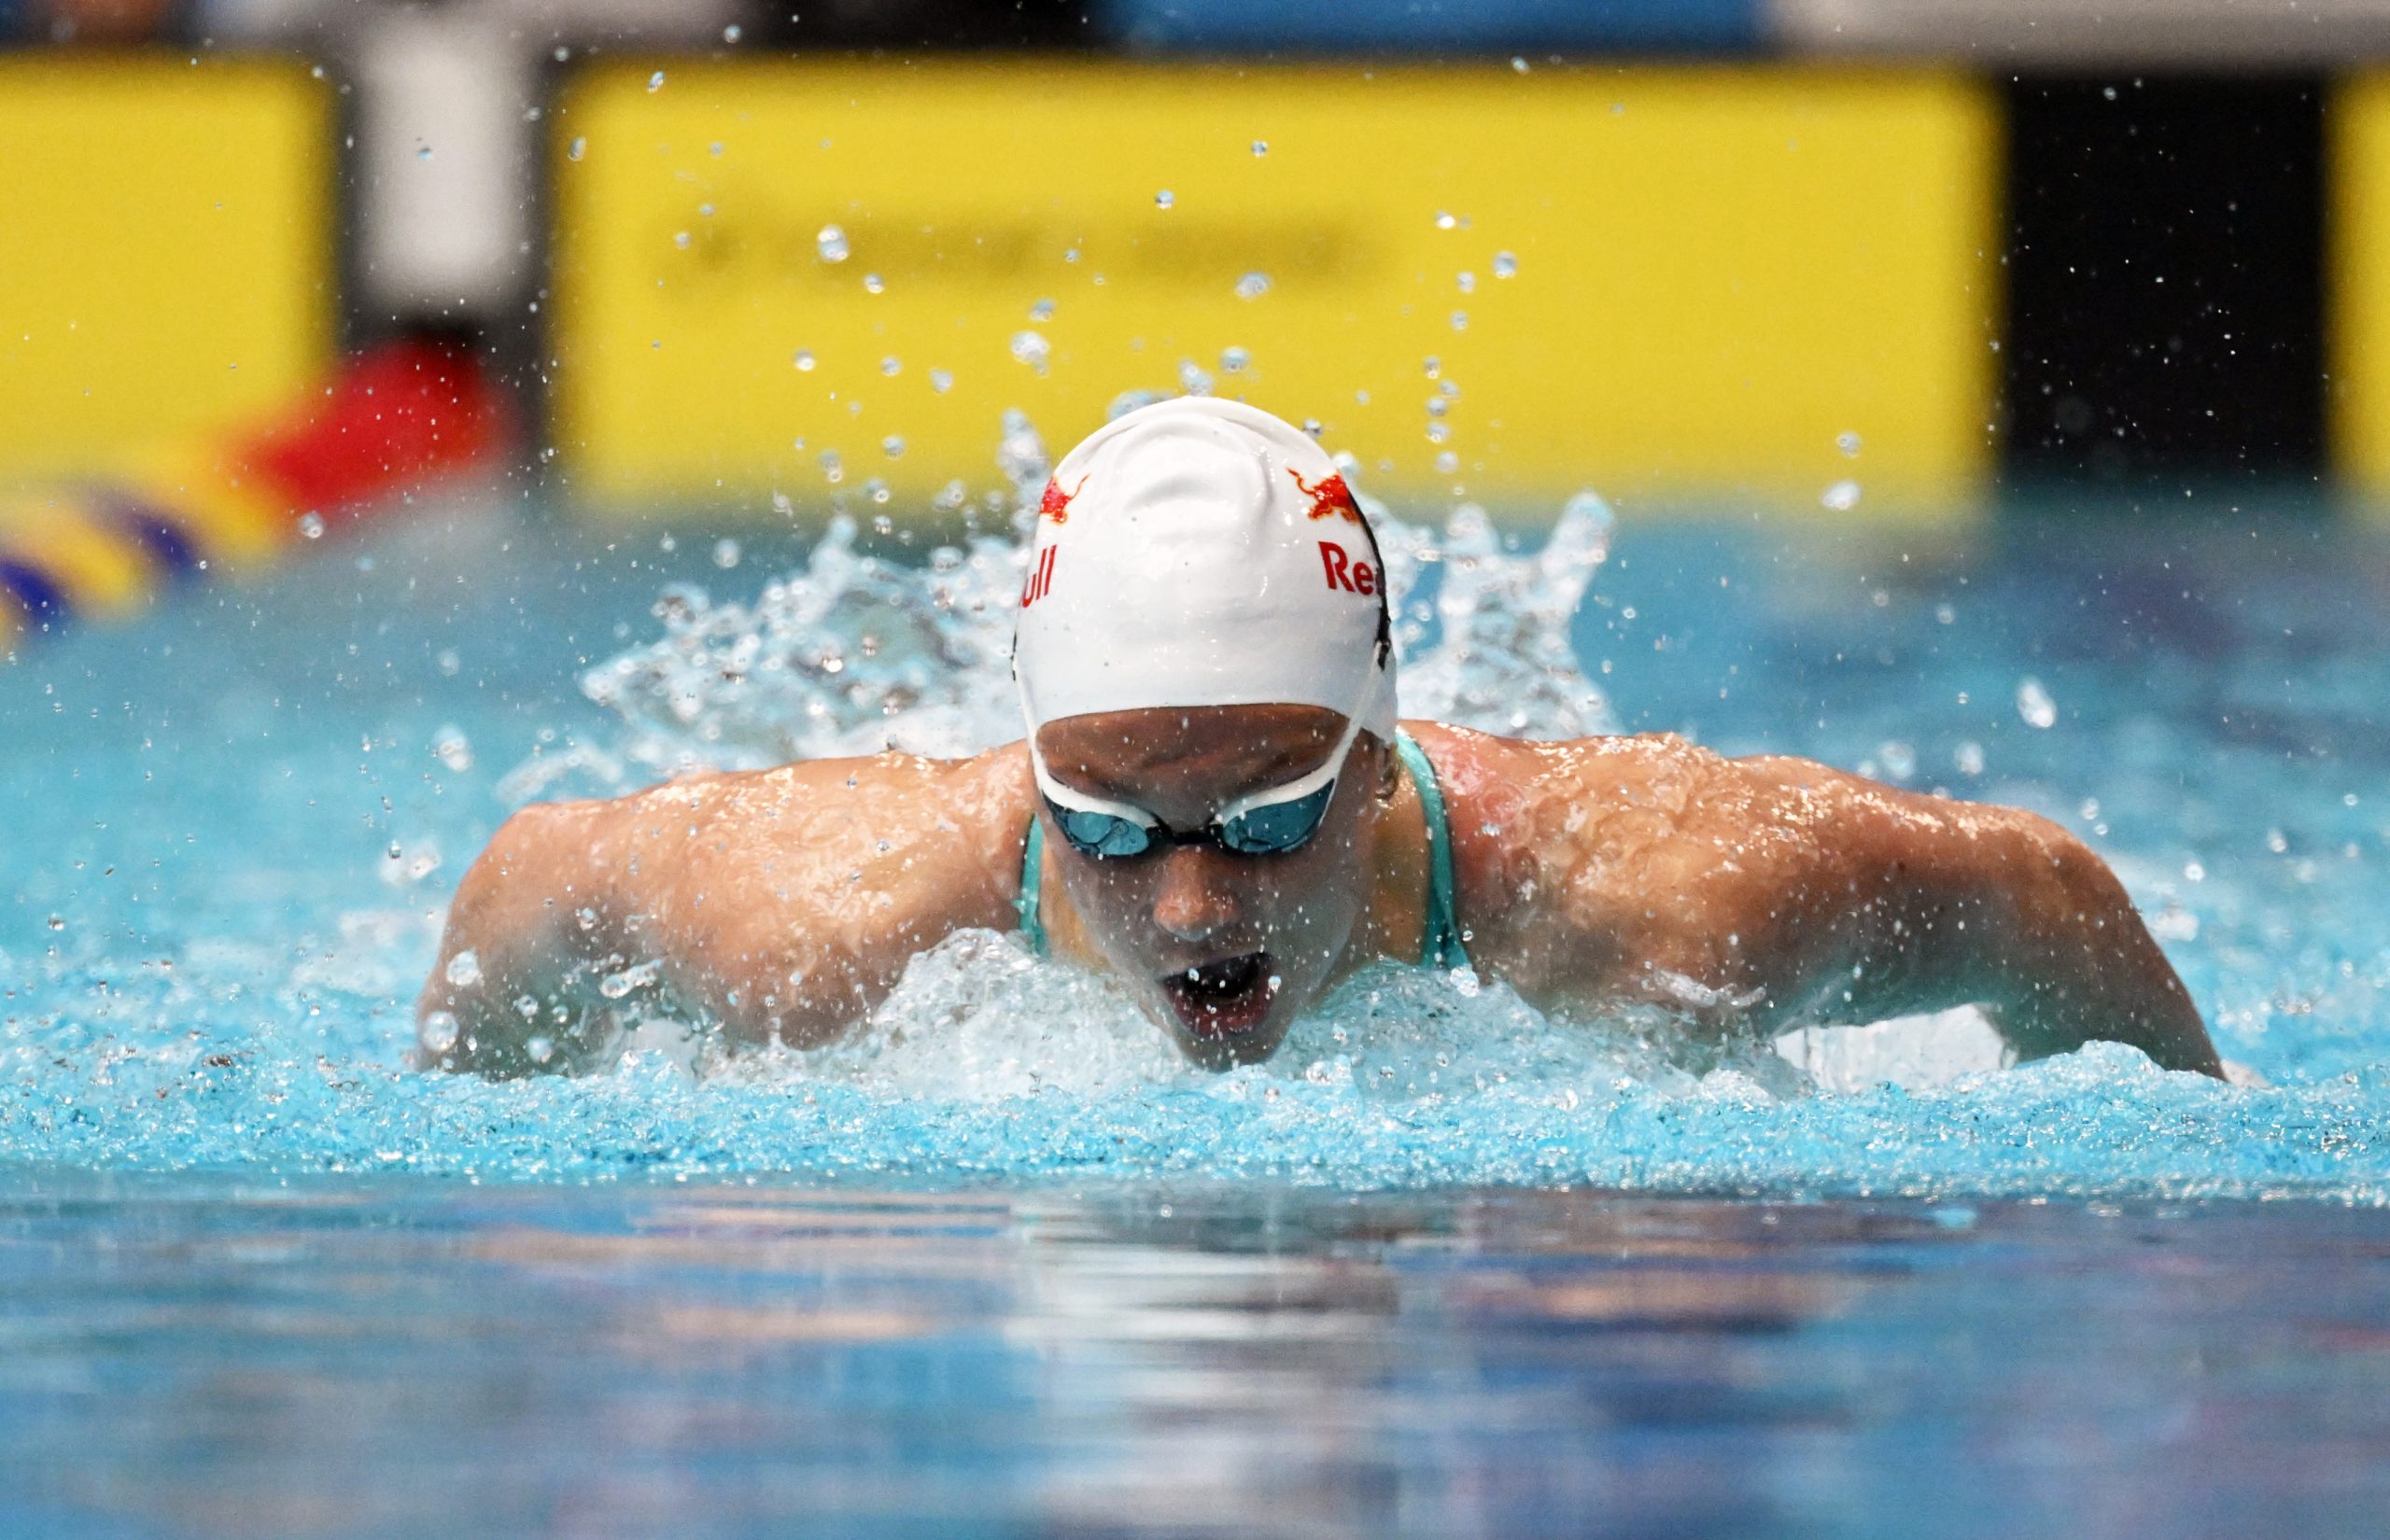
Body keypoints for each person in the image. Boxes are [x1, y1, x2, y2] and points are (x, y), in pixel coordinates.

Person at [418, 398, 2225, 1079]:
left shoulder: (1667, 906)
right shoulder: (832, 932)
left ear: (1380, 749)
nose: (1194, 905)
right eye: (1111, 825)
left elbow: (2048, 896)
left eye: (1266, 815)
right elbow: (526, 887)